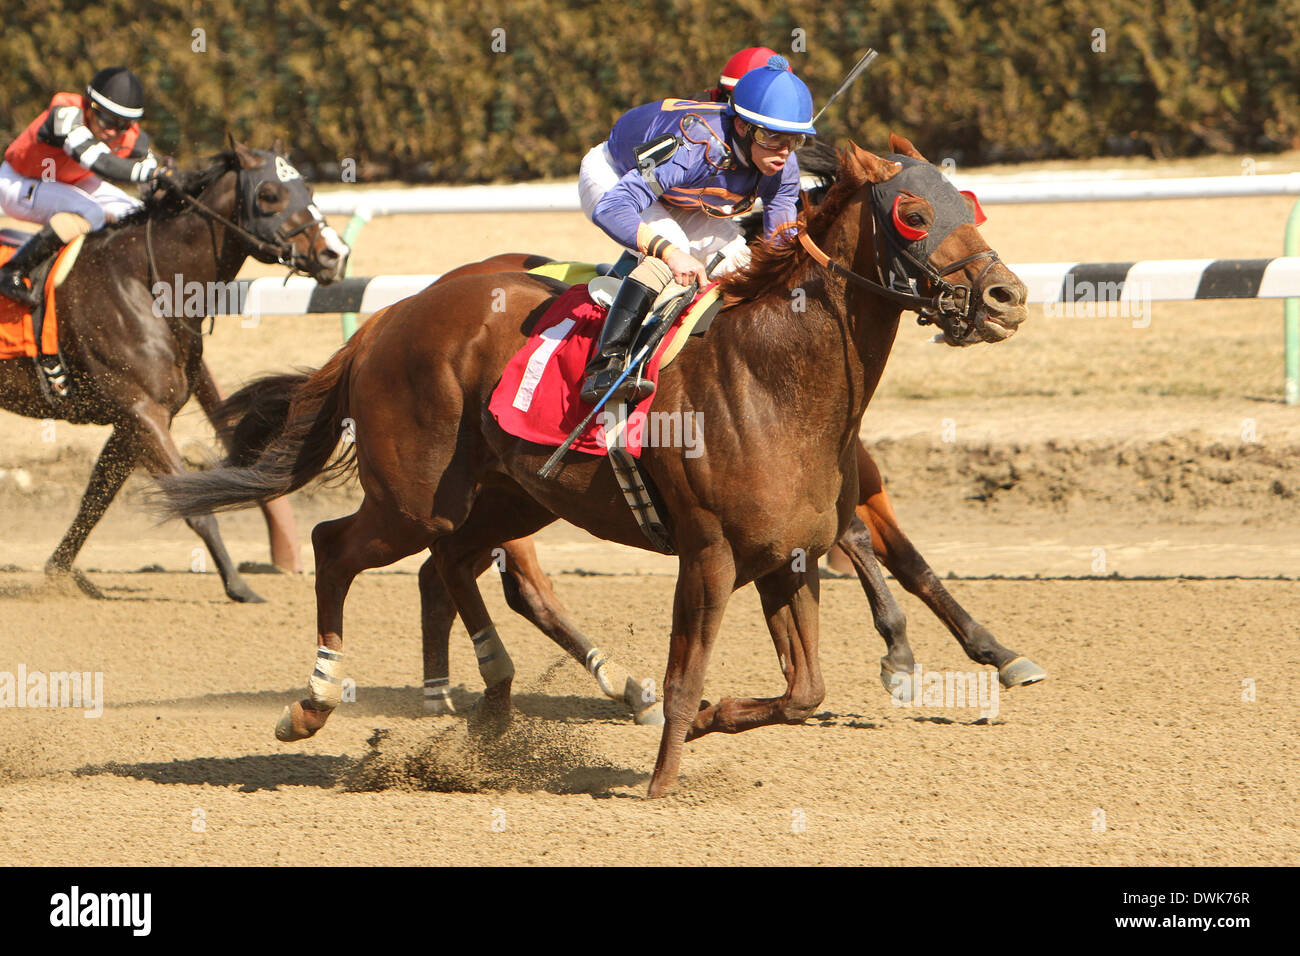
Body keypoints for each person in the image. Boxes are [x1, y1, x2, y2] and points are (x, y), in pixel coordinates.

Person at [577, 55, 815, 403]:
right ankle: (607, 366)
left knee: (741, 263)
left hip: (682, 193)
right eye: (771, 137)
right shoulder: (692, 146)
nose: (783, 152)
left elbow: (779, 241)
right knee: (673, 247)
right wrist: (671, 253)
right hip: (615, 176)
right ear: (743, 127)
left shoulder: (783, 165)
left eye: (794, 140)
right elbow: (616, 207)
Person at [0, 66, 163, 306]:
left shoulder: (128, 135)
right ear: (88, 106)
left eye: (123, 124)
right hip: (18, 182)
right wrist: (155, 172)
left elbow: (153, 176)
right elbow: (97, 161)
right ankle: (13, 270)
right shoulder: (66, 112)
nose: (112, 131)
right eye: (107, 119)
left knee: (135, 211)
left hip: (70, 181)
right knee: (92, 212)